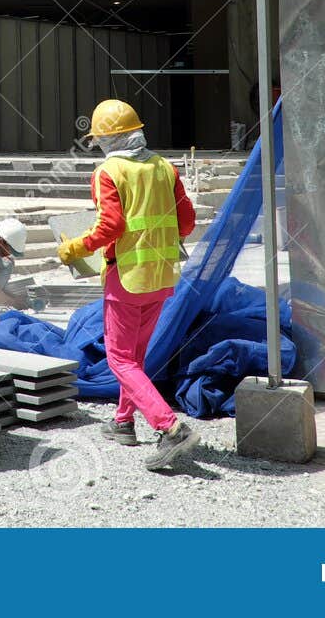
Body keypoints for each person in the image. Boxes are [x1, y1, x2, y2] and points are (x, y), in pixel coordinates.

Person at [58, 99, 197, 472]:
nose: (99, 146)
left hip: (126, 279)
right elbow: (186, 224)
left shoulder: (109, 171)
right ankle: (122, 421)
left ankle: (170, 429)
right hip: (161, 277)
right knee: (132, 359)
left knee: (119, 360)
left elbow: (111, 227)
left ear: (109, 140)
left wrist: (75, 247)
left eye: (100, 139)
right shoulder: (165, 168)